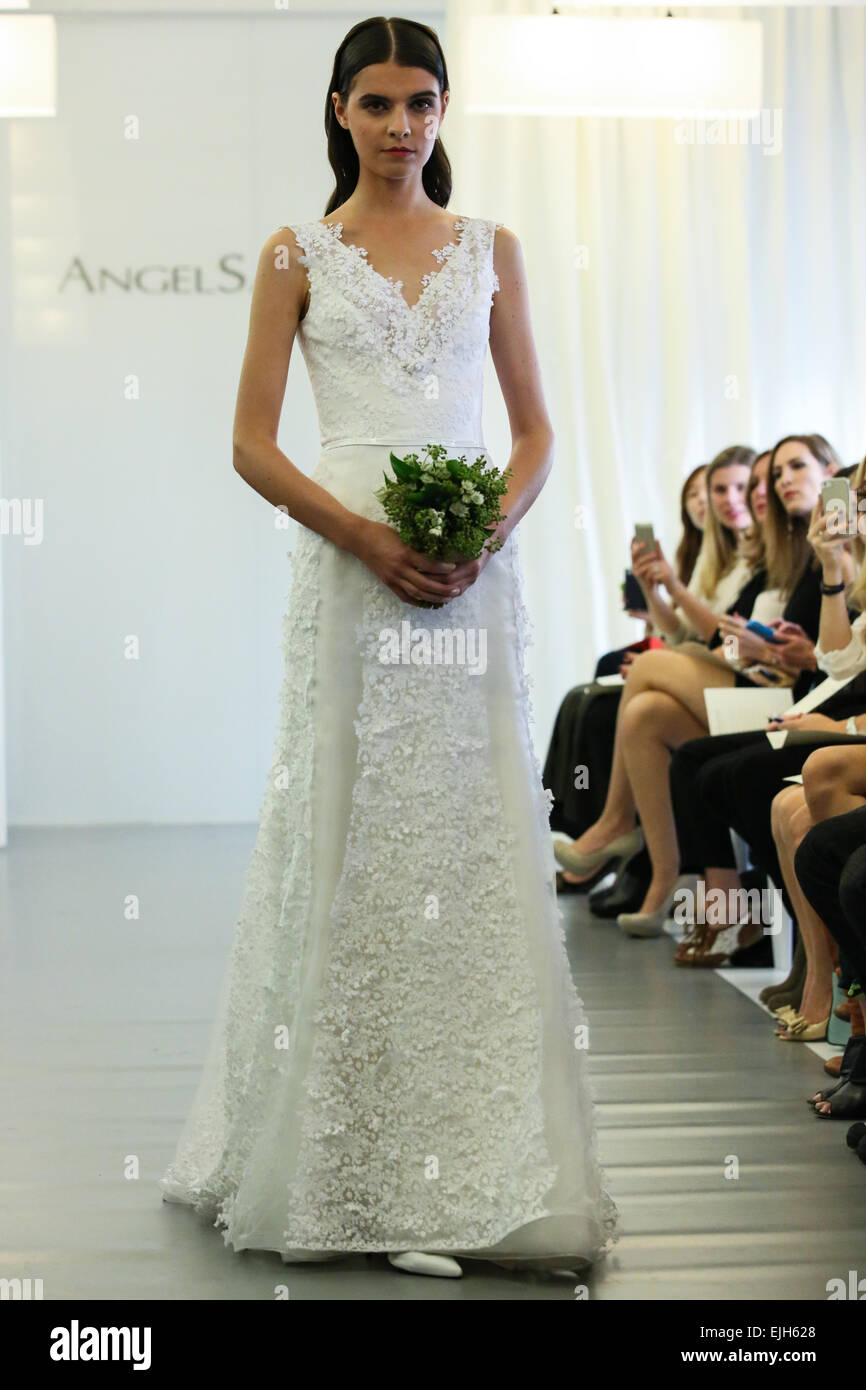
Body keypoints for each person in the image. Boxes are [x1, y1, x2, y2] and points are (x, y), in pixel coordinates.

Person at [157, 15, 617, 1280]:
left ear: (444, 109)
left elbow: (533, 432)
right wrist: (362, 536)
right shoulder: (296, 252)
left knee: (463, 849)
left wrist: (487, 530)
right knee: (349, 835)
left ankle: (470, 1159)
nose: (403, 125)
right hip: (351, 570)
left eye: (422, 101)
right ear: (339, 112)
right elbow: (251, 442)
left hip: (468, 578)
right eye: (378, 103)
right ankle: (348, 1166)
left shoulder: (491, 251)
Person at [554, 435, 844, 936]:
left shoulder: (817, 553)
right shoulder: (785, 550)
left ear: (832, 471)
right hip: (769, 683)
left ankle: (617, 826)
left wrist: (750, 645)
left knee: (646, 672)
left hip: (790, 699)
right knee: (644, 714)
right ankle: (663, 877)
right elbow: (734, 640)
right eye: (771, 478)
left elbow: (801, 654)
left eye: (783, 472)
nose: (767, 489)